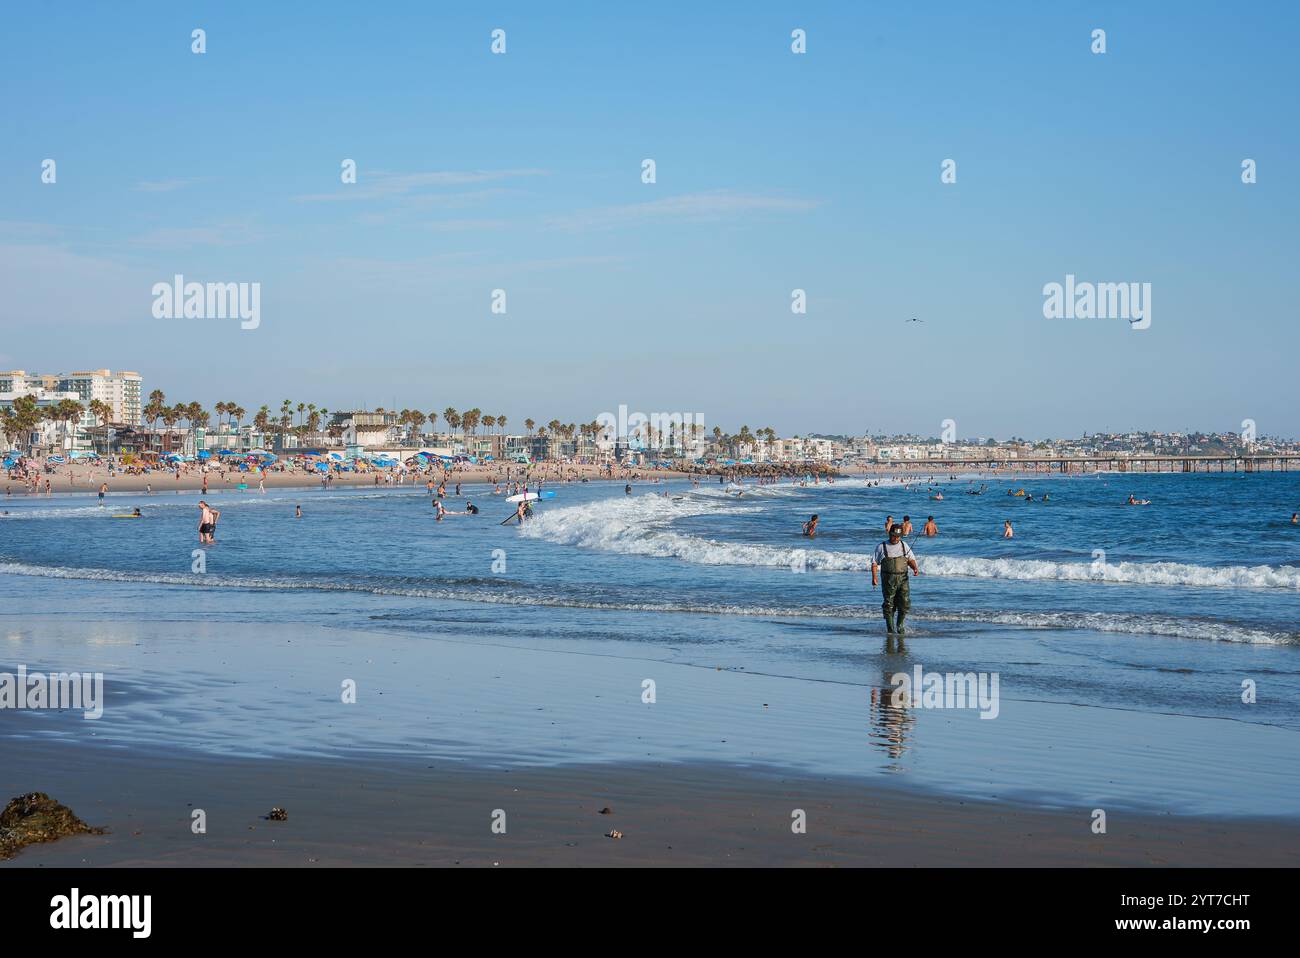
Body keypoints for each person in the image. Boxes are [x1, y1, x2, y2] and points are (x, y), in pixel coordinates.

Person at [871, 524, 920, 634]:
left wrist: (915, 568)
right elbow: (874, 563)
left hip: (903, 579)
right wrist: (874, 577)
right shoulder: (881, 546)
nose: (896, 538)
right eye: (894, 536)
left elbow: (910, 559)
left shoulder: (904, 545)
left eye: (898, 536)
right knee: (889, 604)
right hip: (888, 579)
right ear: (890, 534)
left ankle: (900, 625)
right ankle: (890, 628)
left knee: (905, 603)